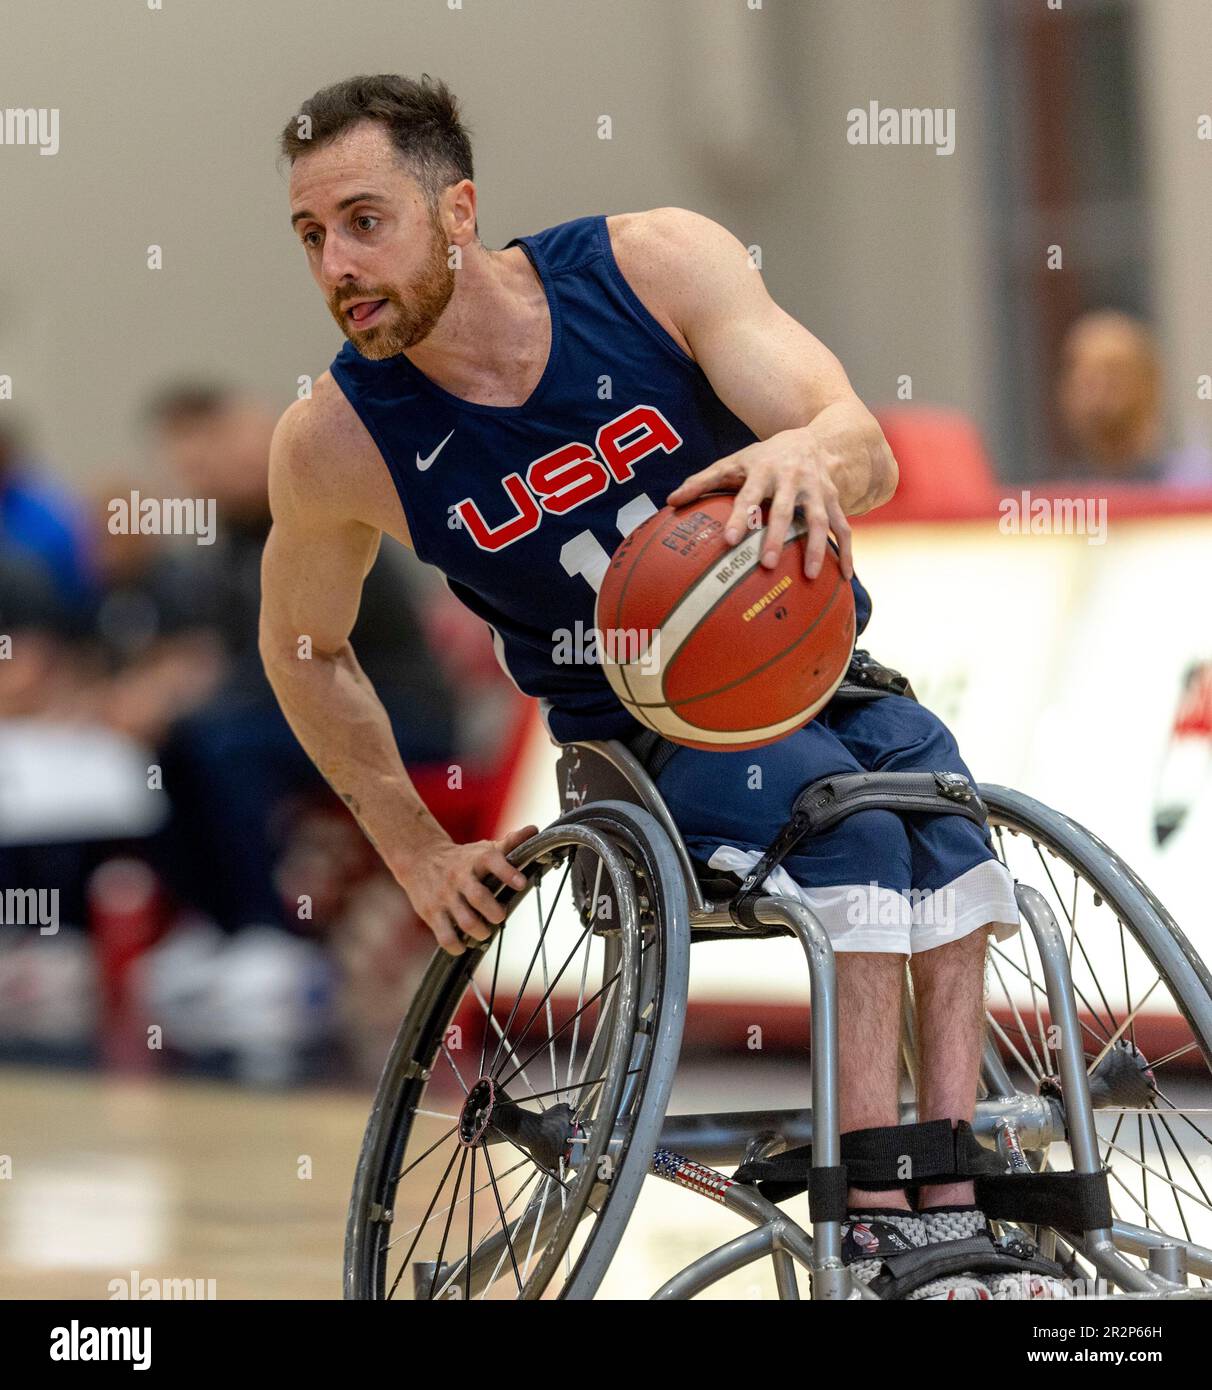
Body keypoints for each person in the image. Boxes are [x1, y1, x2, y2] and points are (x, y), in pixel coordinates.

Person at [261, 74, 1040, 1297]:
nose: (336, 265)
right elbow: (303, 647)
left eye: (367, 221)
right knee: (847, 826)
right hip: (646, 742)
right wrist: (413, 851)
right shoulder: (336, 439)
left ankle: (949, 1193)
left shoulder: (655, 266)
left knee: (942, 817)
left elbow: (865, 447)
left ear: (455, 209)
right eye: (312, 236)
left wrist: (802, 451)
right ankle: (879, 1204)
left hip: (817, 672)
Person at [1054, 310, 1212, 487]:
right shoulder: (1061, 502)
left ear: (1150, 384)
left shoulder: (1196, 487)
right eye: (1086, 379)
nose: (1098, 392)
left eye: (1113, 373)